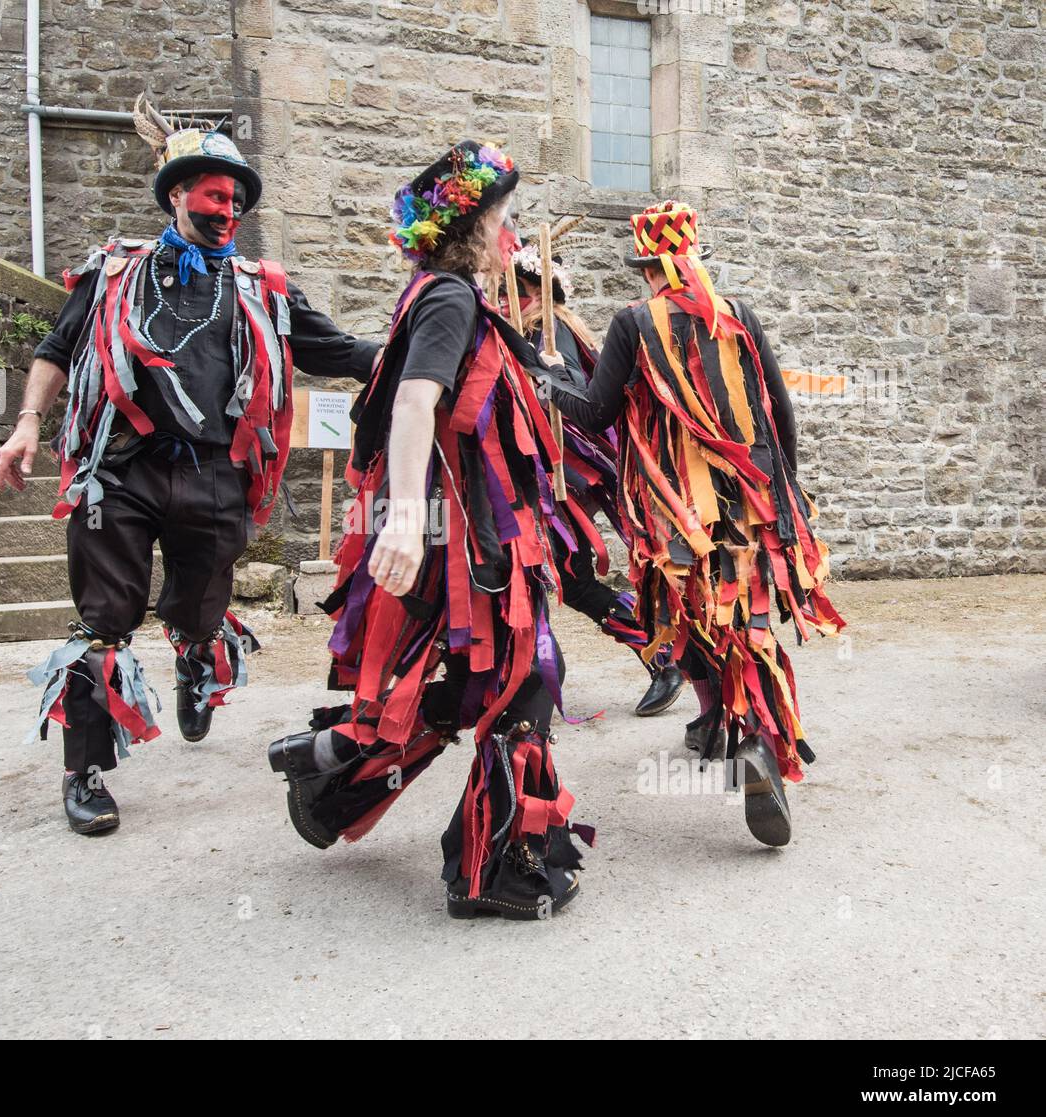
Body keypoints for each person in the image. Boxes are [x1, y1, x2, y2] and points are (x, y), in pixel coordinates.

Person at [0, 96, 379, 835]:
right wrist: (26, 426)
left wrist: (424, 351)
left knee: (201, 606)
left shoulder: (261, 290)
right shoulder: (115, 274)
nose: (227, 208)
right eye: (213, 194)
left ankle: (198, 657)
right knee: (103, 621)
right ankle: (87, 773)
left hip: (215, 476)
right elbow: (56, 350)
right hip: (121, 470)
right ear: (176, 193)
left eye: (236, 198)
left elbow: (338, 349)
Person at [267, 141, 593, 920]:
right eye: (501, 218)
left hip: (473, 536)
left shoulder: (437, 296)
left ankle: (332, 781)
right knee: (525, 682)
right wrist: (408, 520)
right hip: (466, 545)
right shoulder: (448, 297)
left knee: (484, 683)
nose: (509, 234)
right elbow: (415, 400)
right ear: (469, 225)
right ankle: (496, 870)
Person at [545, 200, 845, 847]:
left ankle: (714, 720)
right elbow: (779, 411)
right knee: (749, 623)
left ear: (648, 264)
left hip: (676, 509)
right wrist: (785, 493)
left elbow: (596, 414)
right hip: (757, 499)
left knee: (687, 614)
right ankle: (757, 743)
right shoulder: (739, 317)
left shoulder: (634, 323)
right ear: (693, 254)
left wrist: (546, 385)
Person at [509, 239, 684, 717]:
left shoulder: (547, 333)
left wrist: (539, 379)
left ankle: (663, 655)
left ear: (534, 294)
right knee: (554, 579)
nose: (504, 303)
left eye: (513, 294)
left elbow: (578, 399)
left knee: (574, 579)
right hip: (540, 480)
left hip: (556, 480)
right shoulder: (544, 331)